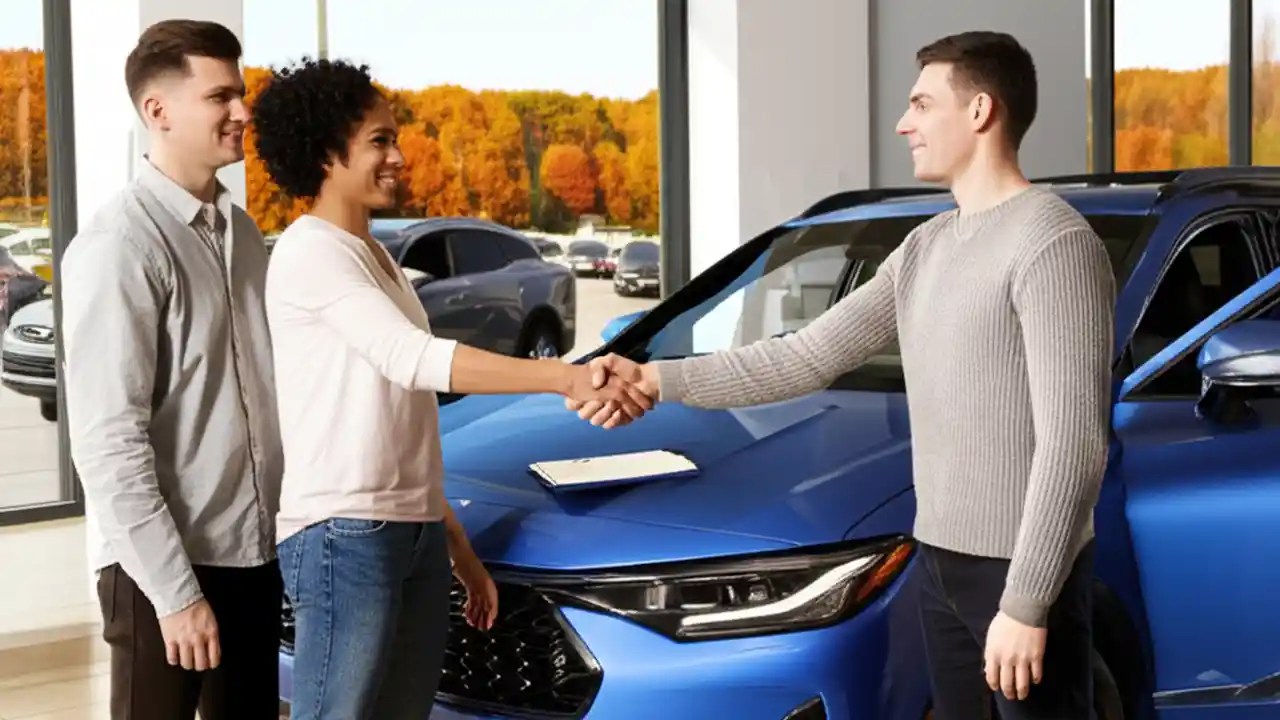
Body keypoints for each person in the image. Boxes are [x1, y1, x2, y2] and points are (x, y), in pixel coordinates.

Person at [573, 31, 1113, 719]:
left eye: (921, 103)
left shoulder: (1053, 242)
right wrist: (656, 379)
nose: (904, 122)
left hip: (1020, 571)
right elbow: (805, 355)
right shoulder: (926, 247)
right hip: (939, 560)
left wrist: (1027, 600)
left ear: (980, 111)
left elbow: (1075, 443)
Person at [250, 57, 652, 720]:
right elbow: (413, 361)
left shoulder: (380, 259)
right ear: (326, 153)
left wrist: (455, 545)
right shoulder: (309, 251)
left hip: (412, 532)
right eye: (379, 141)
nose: (399, 156)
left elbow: (403, 420)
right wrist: (566, 376)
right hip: (343, 533)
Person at [60, 20, 283, 720]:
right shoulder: (118, 245)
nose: (242, 112)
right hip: (160, 570)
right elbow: (107, 440)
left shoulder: (241, 232)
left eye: (240, 94)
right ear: (158, 112)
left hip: (253, 559)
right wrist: (176, 593)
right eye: (222, 97)